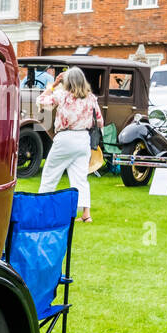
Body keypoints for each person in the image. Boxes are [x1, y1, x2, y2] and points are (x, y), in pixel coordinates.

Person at [37, 66, 103, 222]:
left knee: (50, 174)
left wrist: (52, 85)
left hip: (65, 138)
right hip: (83, 140)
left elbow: (40, 101)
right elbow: (100, 122)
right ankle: (86, 215)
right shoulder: (91, 98)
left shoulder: (62, 95)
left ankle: (41, 209)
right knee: (80, 177)